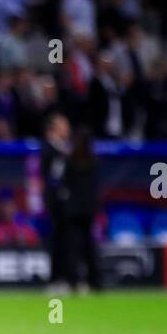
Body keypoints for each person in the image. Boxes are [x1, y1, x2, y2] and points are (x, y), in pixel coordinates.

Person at [60, 125, 102, 292]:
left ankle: (74, 281)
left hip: (73, 210)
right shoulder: (93, 161)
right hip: (88, 208)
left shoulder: (70, 161)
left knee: (74, 247)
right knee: (88, 245)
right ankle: (94, 281)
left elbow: (64, 184)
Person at [41, 112, 71, 293]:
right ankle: (55, 279)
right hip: (54, 203)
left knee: (67, 241)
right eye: (63, 125)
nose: (67, 129)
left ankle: (65, 277)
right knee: (56, 241)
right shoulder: (48, 149)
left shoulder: (66, 148)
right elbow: (50, 177)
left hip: (68, 202)